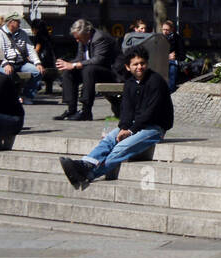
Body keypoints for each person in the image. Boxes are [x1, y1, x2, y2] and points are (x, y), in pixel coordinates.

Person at [59, 47, 173, 189]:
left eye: (142, 63)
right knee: (108, 139)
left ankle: (89, 174)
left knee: (121, 148)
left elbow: (150, 112)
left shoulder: (156, 81)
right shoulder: (130, 83)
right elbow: (126, 110)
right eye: (135, 64)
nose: (139, 67)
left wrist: (130, 131)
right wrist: (124, 127)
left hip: (154, 128)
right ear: (127, 66)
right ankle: (86, 163)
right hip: (134, 125)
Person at [54, 18, 121, 121]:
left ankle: (86, 110)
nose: (77, 40)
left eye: (79, 38)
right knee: (69, 72)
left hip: (110, 72)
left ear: (87, 32)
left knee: (88, 69)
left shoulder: (100, 38)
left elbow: (98, 60)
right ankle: (71, 109)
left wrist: (75, 65)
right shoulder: (83, 39)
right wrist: (67, 64)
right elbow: (80, 58)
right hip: (92, 71)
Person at [0, 13, 45, 102]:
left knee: (37, 72)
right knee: (8, 73)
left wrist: (37, 63)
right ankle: (12, 97)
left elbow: (31, 49)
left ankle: (28, 96)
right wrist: (5, 64)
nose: (20, 23)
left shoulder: (22, 33)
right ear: (11, 22)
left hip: (21, 63)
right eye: (17, 21)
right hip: (5, 63)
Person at [30, 17, 56, 94]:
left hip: (43, 62)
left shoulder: (38, 36)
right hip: (50, 61)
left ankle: (36, 86)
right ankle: (49, 90)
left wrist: (29, 56)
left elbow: (37, 50)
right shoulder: (48, 36)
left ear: (35, 28)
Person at [161, 19, 186, 92]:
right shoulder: (159, 38)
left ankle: (170, 91)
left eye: (167, 30)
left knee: (172, 68)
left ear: (172, 29)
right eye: (163, 29)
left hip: (172, 62)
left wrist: (175, 57)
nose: (165, 32)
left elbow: (182, 56)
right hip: (160, 61)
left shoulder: (178, 39)